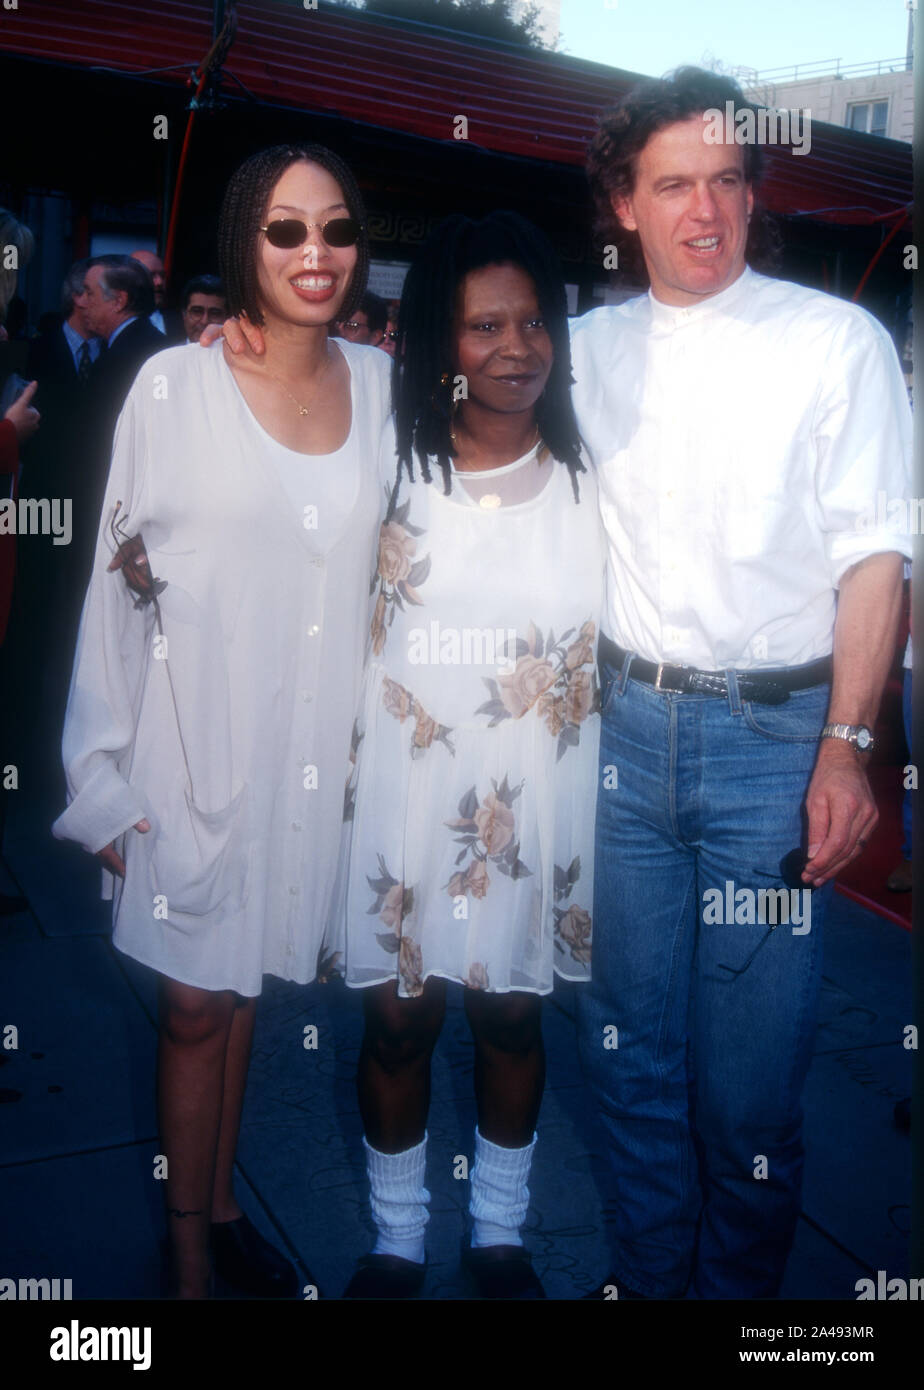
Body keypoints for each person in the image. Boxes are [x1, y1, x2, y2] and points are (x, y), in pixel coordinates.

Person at [569, 66, 913, 1300]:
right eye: (673, 185)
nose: (704, 210)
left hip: (775, 751)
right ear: (625, 203)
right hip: (618, 742)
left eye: (727, 180)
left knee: (751, 1088)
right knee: (631, 1062)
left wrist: (849, 744)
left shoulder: (835, 344)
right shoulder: (581, 352)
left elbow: (880, 559)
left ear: (754, 193)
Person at [52, 143, 391, 1299]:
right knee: (196, 1006)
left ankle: (227, 1207)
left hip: (306, 756)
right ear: (246, 240)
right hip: (190, 744)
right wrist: (97, 777)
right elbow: (116, 579)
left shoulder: (386, 389)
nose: (314, 254)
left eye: (336, 230)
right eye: (285, 230)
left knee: (243, 994)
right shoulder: (176, 387)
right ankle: (189, 1259)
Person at [335, 211, 603, 1299]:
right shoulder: (385, 464)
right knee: (399, 1025)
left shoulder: (594, 480)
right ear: (439, 342)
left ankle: (500, 1234)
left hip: (536, 805)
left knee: (510, 1014)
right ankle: (396, 1242)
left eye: (534, 321)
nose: (515, 347)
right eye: (484, 325)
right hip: (407, 800)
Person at [130, 248, 181, 340]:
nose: (160, 282)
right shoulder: (113, 324)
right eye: (151, 275)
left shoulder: (180, 322)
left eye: (162, 276)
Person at [180, 275, 227, 344]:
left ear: (226, 318)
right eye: (197, 312)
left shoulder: (239, 354)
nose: (204, 321)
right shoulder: (169, 354)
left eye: (214, 313)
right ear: (184, 315)